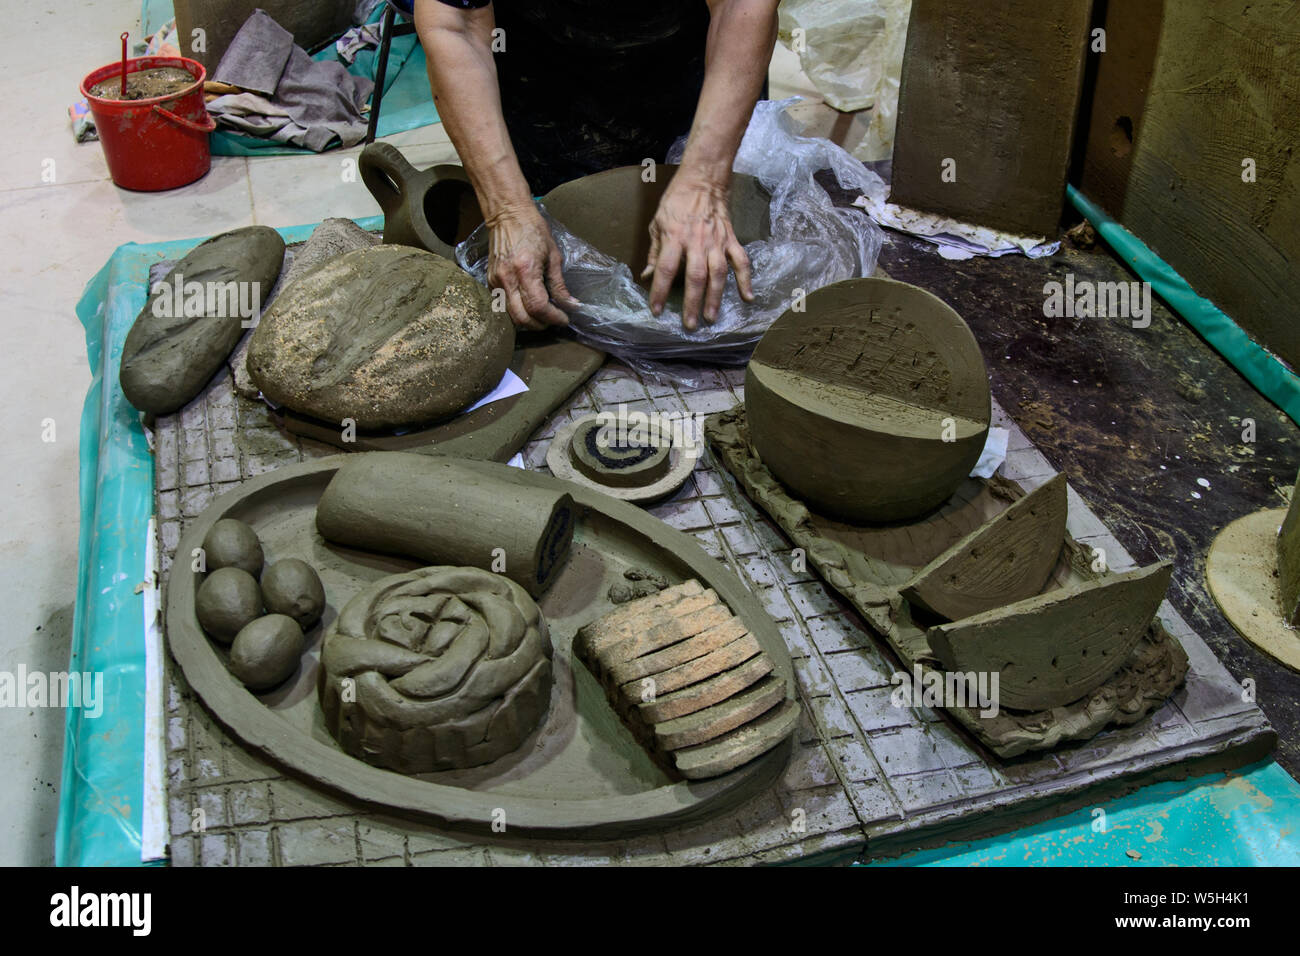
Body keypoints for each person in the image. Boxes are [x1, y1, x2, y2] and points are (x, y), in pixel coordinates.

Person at [413, 0, 779, 333]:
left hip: (688, 69)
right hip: (537, 77)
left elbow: (739, 6)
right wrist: (506, 209)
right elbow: (454, 24)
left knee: (710, 260)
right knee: (552, 259)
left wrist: (704, 182)